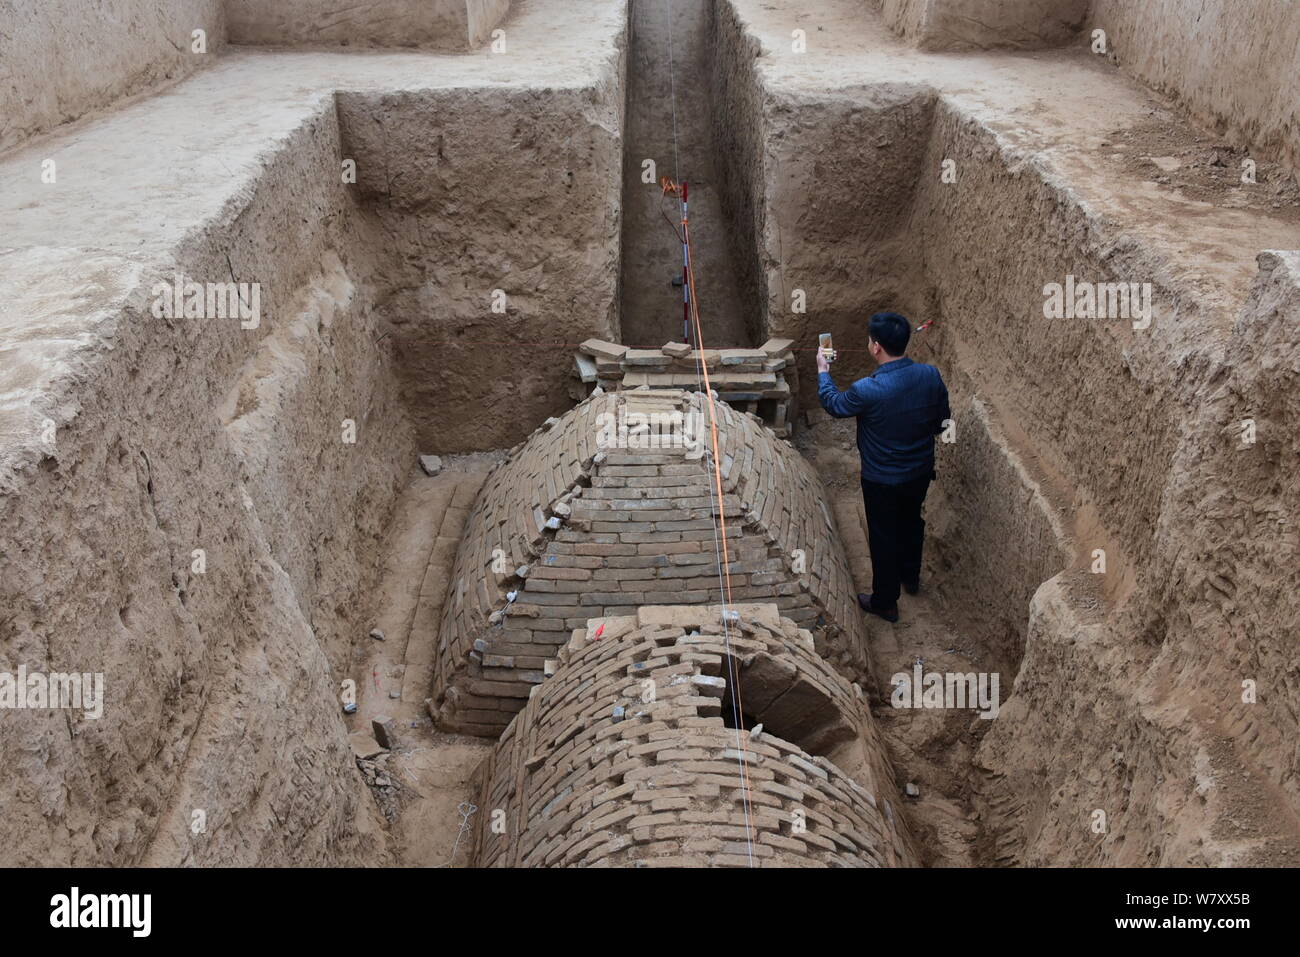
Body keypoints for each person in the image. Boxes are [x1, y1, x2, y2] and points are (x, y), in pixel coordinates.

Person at [816, 312, 950, 623]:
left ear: (876, 347)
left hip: (882, 480)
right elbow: (943, 423)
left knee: (883, 536)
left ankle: (886, 602)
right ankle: (910, 577)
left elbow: (834, 404)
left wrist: (823, 371)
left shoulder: (867, 389)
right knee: (912, 521)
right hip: (918, 472)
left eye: (868, 341)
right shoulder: (930, 376)